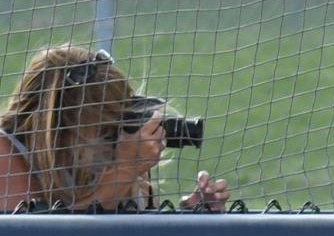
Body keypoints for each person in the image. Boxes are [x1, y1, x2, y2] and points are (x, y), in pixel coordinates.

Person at [0, 44, 227, 213]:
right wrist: (125, 169)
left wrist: (193, 215)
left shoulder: (115, 161)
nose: (114, 137)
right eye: (104, 128)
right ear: (60, 127)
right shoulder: (6, 154)